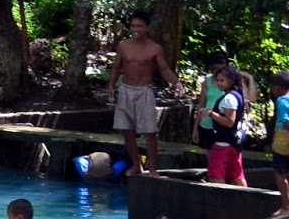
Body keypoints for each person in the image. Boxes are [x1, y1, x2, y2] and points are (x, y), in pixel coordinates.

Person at [107, 12, 182, 173]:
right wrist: (111, 86)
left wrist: (176, 82)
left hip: (144, 91)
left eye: (139, 26)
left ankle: (153, 168)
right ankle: (137, 165)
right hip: (126, 89)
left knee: (149, 132)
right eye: (133, 25)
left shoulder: (154, 48)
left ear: (147, 28)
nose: (135, 29)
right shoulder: (123, 45)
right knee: (125, 129)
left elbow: (164, 69)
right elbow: (116, 67)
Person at [192, 54, 258, 150]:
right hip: (207, 125)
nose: (214, 71)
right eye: (212, 68)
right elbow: (201, 105)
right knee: (212, 160)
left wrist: (250, 78)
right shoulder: (207, 81)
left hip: (225, 129)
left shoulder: (234, 81)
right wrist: (195, 128)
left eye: (217, 68)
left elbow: (252, 98)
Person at [204, 65, 249, 187]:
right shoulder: (238, 95)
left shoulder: (229, 98)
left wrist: (211, 114)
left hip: (224, 142)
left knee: (215, 175)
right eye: (217, 80)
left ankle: (222, 202)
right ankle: (246, 201)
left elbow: (230, 122)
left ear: (230, 81)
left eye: (222, 80)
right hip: (235, 142)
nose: (219, 83)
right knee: (236, 175)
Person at [269, 72, 289, 215]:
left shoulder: (281, 100)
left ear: (278, 88)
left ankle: (286, 206)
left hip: (283, 139)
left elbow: (286, 121)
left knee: (279, 173)